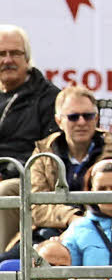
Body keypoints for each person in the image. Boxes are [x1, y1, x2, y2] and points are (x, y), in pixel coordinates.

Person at [3, 85, 112, 257]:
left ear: (96, 118)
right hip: (48, 231)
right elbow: (36, 206)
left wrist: (81, 224)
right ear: (59, 121)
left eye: (88, 116)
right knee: (5, 265)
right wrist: (71, 218)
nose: (82, 122)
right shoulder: (43, 153)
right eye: (73, 117)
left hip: (100, 230)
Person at [0, 25, 60, 251]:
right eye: (1, 54)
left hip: (27, 179)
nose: (8, 60)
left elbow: (48, 156)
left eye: (15, 53)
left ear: (27, 58)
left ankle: (2, 271)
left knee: (5, 191)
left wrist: (6, 172)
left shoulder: (49, 98)